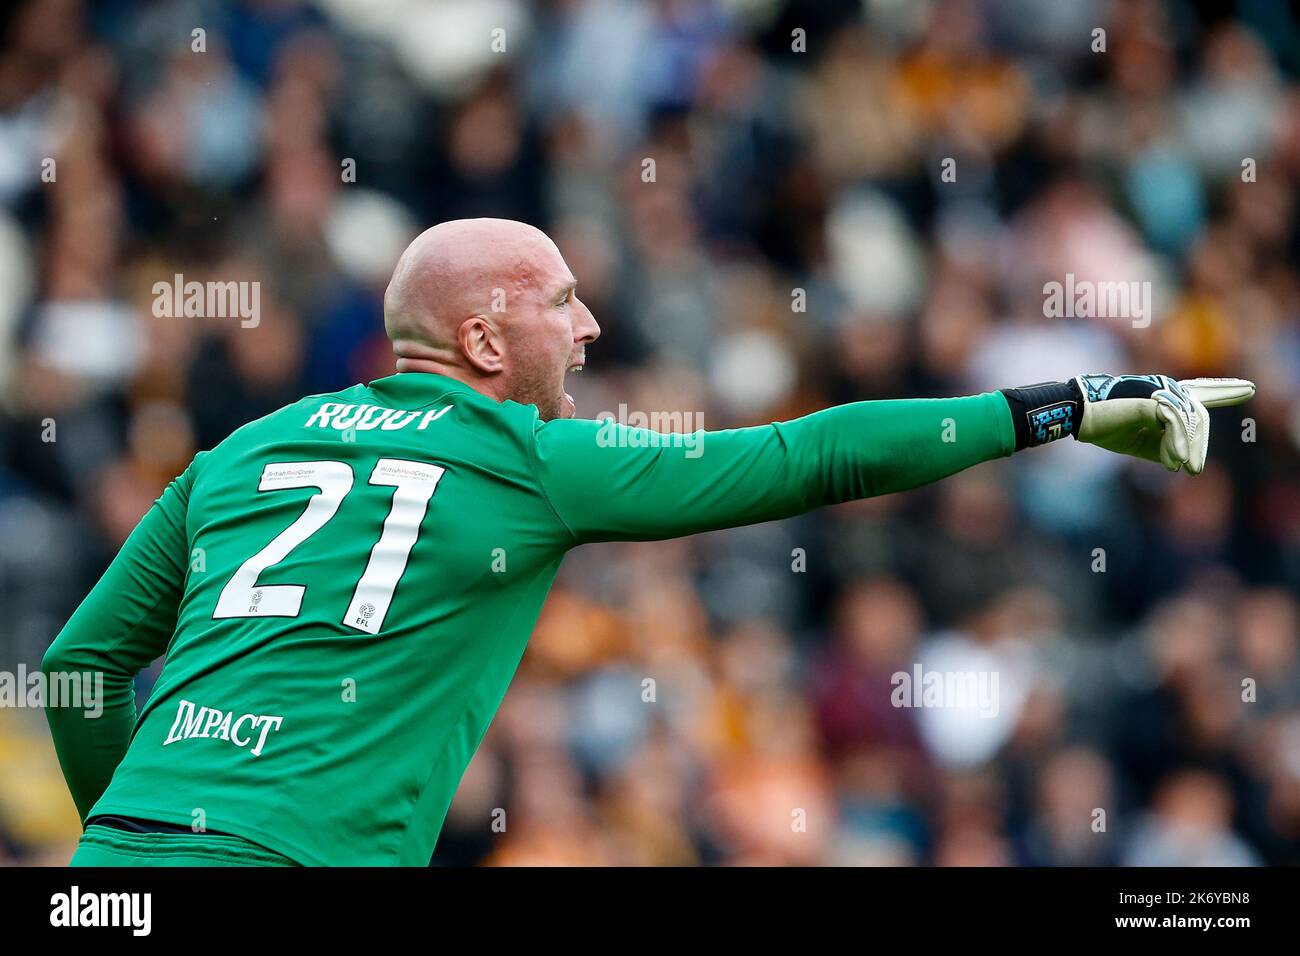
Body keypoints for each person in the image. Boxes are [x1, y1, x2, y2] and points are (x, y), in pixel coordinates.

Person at [42, 218, 1254, 866]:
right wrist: (1072, 403)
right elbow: (818, 454)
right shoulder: (526, 458)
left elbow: (80, 665)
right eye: (560, 299)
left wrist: (135, 831)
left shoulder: (240, 451)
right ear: (479, 338)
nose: (589, 322)